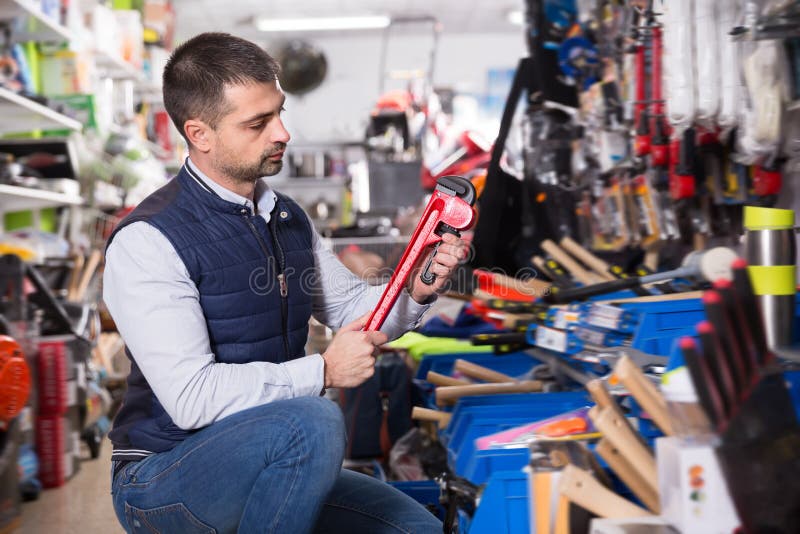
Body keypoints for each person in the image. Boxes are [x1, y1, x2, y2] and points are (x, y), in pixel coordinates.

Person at [103, 32, 467, 534]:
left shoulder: (285, 217)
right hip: (163, 478)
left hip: (270, 454)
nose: (282, 134)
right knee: (313, 420)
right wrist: (322, 370)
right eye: (258, 123)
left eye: (279, 112)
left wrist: (416, 288)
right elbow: (191, 397)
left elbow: (351, 308)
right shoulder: (148, 240)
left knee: (416, 529)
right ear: (200, 134)